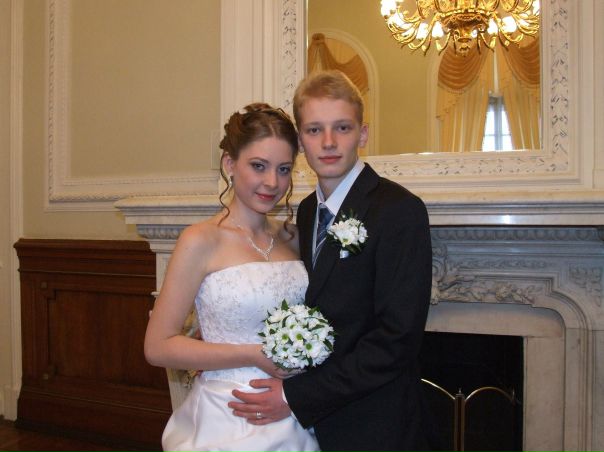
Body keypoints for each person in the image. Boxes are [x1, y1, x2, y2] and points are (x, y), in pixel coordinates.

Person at [228, 70, 434, 451]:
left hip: (378, 426)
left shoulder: (399, 210)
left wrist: (296, 397)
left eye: (342, 127)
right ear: (300, 142)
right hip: (316, 427)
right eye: (314, 130)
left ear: (363, 134)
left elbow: (397, 340)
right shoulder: (307, 212)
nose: (328, 142)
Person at [144, 103, 320, 452]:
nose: (272, 183)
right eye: (259, 166)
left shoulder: (295, 238)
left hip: (291, 406)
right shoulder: (200, 240)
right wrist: (253, 354)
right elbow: (158, 346)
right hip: (227, 412)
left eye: (284, 169)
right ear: (229, 164)